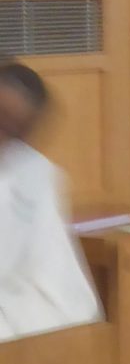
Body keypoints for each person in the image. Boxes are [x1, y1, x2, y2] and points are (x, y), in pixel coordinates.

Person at [0, 61, 102, 341]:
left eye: (13, 127)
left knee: (66, 316)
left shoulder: (35, 171)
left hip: (22, 302)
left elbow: (49, 260)